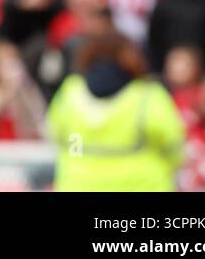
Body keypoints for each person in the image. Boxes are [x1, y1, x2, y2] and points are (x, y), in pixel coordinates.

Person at [46, 32, 186, 192]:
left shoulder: (71, 91)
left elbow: (57, 134)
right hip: (142, 185)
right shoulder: (148, 96)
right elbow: (174, 146)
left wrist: (81, 158)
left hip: (78, 184)